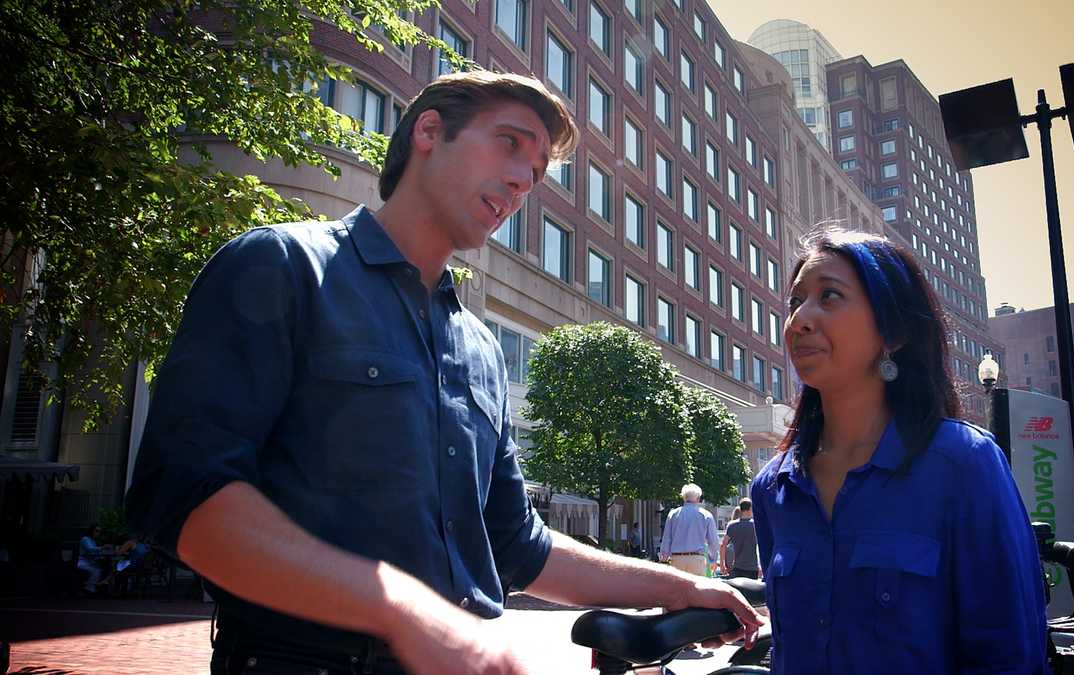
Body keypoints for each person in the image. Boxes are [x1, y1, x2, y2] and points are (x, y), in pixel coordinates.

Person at [126, 70, 759, 675]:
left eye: (535, 174)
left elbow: (519, 545)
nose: (521, 182)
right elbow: (188, 503)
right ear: (428, 132)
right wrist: (408, 614)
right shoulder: (283, 265)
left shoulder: (479, 346)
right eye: (509, 145)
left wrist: (678, 587)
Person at [751, 229, 1047, 674]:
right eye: (796, 302)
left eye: (829, 297)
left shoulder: (965, 463)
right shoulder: (772, 488)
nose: (799, 321)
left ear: (893, 331)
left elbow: (1011, 657)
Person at [659, 484, 721, 576]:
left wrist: (664, 556)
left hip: (677, 559)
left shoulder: (673, 514)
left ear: (684, 498)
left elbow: (667, 538)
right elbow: (713, 541)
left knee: (677, 589)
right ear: (698, 498)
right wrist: (713, 559)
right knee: (696, 589)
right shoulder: (706, 515)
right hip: (697, 559)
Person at [720, 499, 760, 579]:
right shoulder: (756, 525)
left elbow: (723, 545)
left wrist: (722, 564)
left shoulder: (732, 525)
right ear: (750, 509)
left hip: (737, 567)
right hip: (753, 567)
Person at [77, 524, 106, 594]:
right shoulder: (85, 539)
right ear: (91, 531)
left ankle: (91, 587)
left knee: (101, 568)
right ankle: (89, 589)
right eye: (96, 531)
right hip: (83, 562)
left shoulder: (92, 541)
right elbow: (90, 549)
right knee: (96, 570)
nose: (98, 533)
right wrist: (102, 548)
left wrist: (101, 556)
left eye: (99, 531)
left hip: (90, 562)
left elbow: (94, 553)